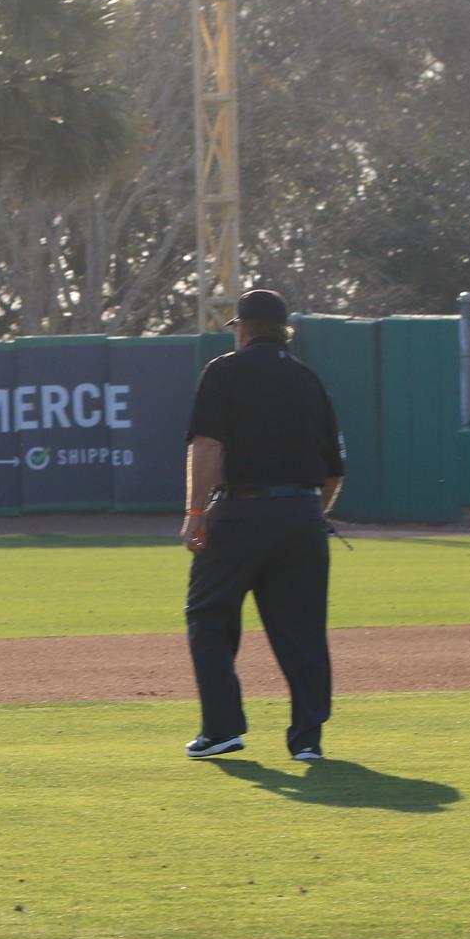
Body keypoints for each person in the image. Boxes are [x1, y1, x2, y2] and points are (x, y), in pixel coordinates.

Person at [181, 288, 345, 763]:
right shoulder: (309, 380)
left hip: (241, 511)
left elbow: (209, 447)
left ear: (245, 328)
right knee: (303, 630)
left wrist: (194, 514)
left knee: (209, 615)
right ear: (284, 330)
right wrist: (313, 516)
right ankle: (308, 739)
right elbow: (335, 469)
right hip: (303, 515)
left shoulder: (224, 371)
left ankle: (222, 728)